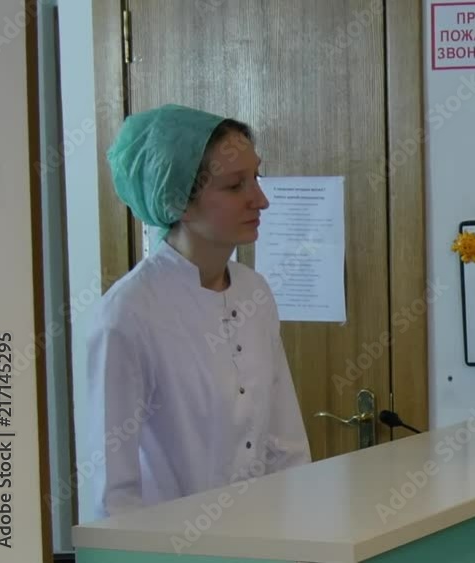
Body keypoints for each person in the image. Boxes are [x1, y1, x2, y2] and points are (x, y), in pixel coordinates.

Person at [85, 104, 311, 520]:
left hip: (267, 543)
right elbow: (112, 494)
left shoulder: (254, 292)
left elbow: (286, 444)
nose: (260, 199)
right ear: (178, 201)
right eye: (234, 186)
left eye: (256, 178)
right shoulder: (128, 315)